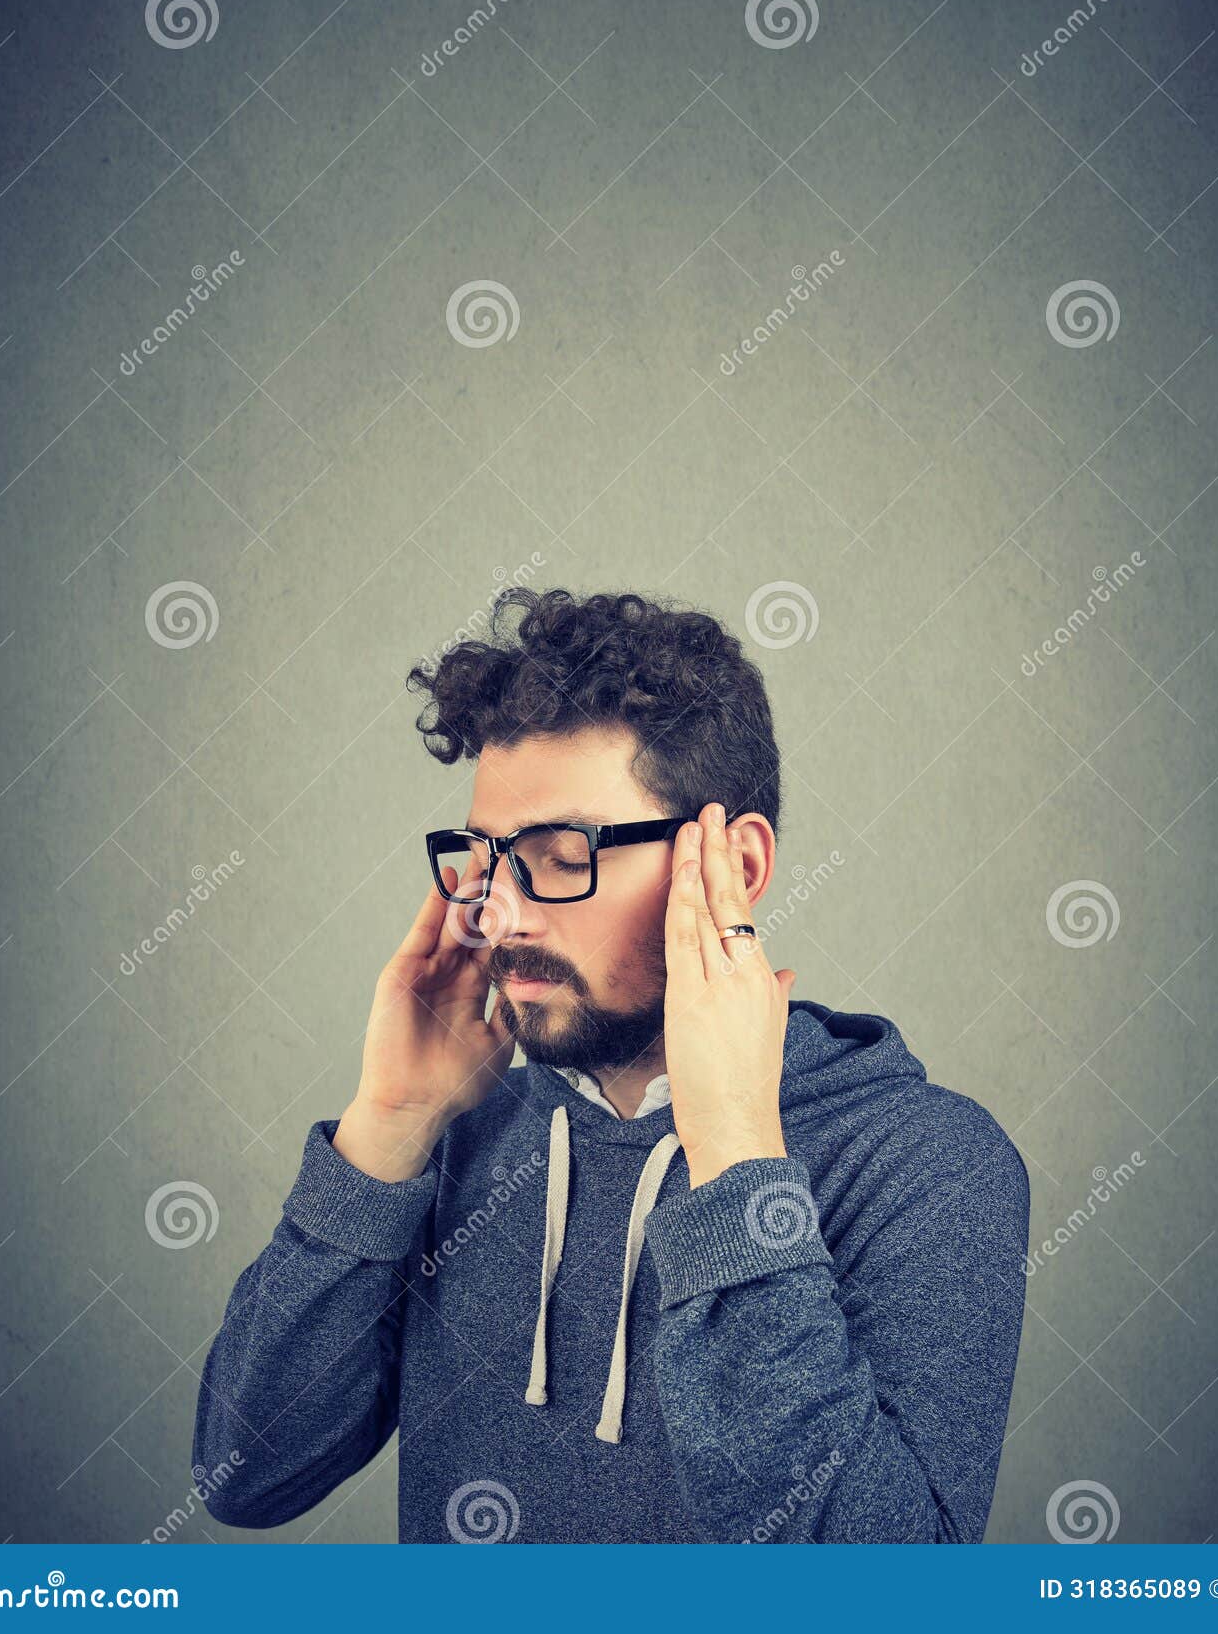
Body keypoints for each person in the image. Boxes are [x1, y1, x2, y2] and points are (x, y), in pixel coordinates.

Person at [191, 586, 1029, 1543]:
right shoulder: (462, 1137)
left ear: (736, 868)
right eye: (483, 858)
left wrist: (737, 1161)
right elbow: (242, 1476)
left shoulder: (924, 1162)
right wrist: (385, 1126)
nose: (497, 913)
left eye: (558, 854)